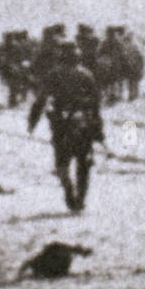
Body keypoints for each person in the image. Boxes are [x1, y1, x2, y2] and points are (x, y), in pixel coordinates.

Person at [28, 41, 104, 213]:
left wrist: (32, 121)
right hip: (83, 122)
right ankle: (81, 198)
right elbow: (96, 104)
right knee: (83, 163)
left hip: (61, 123)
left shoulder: (53, 75)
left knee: (61, 161)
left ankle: (68, 189)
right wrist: (98, 129)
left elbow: (40, 100)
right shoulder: (86, 74)